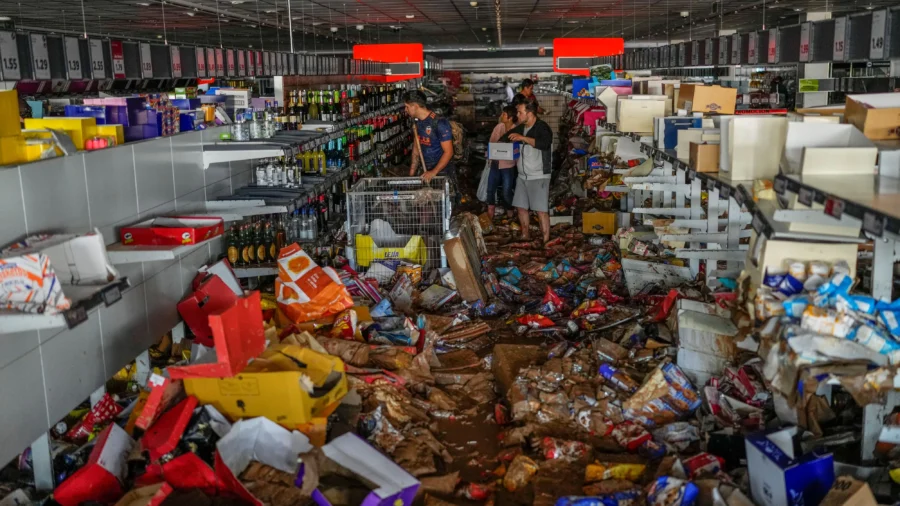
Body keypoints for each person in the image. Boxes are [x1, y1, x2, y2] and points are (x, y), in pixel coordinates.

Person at [507, 101, 553, 243]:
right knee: (521, 208)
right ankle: (525, 235)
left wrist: (523, 138)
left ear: (530, 113)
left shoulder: (542, 127)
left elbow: (544, 144)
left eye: (520, 113)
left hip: (538, 175)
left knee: (541, 210)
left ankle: (546, 240)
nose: (518, 116)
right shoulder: (522, 127)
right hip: (522, 175)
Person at [405, 91, 456, 189]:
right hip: (425, 172)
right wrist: (411, 175)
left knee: (442, 202)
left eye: (407, 106)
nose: (405, 110)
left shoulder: (440, 123)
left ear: (415, 106)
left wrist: (433, 172)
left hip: (442, 173)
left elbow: (449, 152)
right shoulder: (417, 123)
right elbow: (416, 151)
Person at [485, 105, 518, 220]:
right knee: (490, 189)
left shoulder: (516, 130)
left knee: (506, 192)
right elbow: (491, 143)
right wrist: (489, 156)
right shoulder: (499, 127)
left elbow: (517, 150)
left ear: (510, 117)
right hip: (495, 163)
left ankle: (510, 212)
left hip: (508, 166)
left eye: (504, 114)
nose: (501, 116)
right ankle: (490, 216)